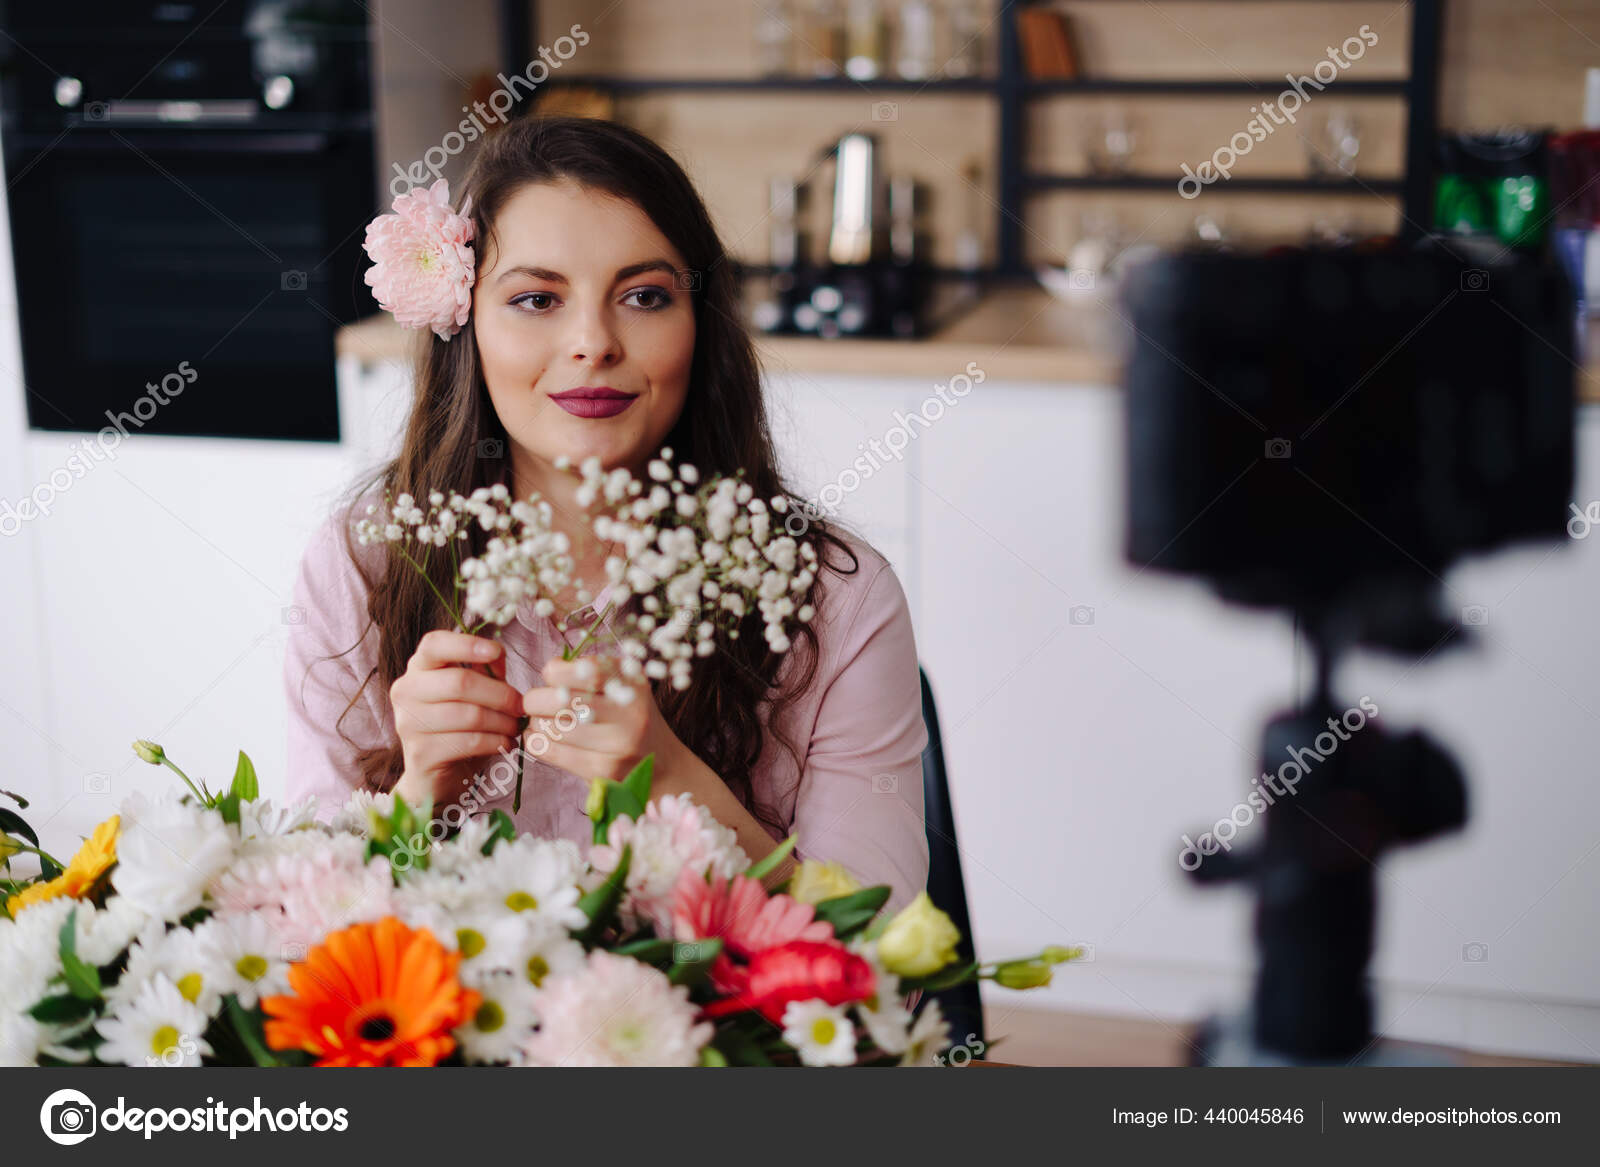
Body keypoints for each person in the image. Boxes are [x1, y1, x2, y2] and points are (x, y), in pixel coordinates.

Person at [283, 115, 928, 912]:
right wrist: (418, 798)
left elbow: (884, 948)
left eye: (644, 296)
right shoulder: (366, 562)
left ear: (701, 324)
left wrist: (673, 778)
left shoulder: (839, 596)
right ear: (468, 325)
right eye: (536, 298)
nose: (593, 342)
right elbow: (297, 932)